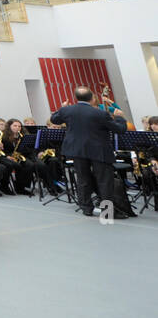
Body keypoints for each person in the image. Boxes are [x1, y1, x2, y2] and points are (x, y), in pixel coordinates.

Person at [51, 86, 130, 219]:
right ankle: (107, 213)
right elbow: (120, 129)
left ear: (76, 98)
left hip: (77, 150)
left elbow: (54, 119)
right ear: (92, 97)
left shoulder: (67, 110)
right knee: (104, 181)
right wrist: (120, 118)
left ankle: (86, 208)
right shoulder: (100, 113)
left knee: (83, 179)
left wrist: (62, 107)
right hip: (99, 150)